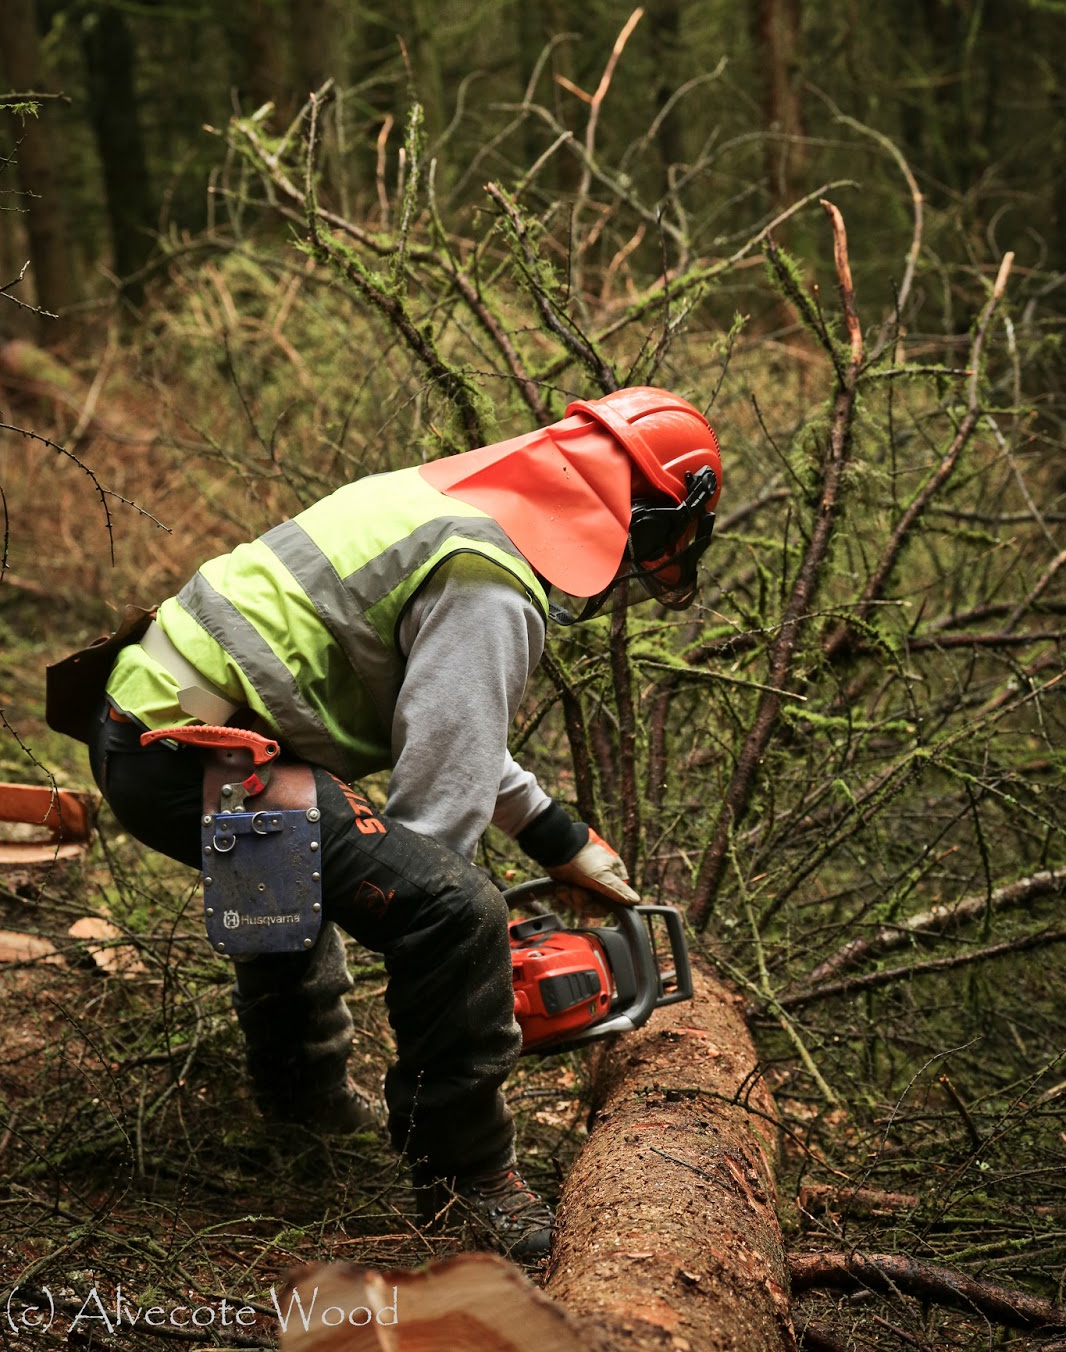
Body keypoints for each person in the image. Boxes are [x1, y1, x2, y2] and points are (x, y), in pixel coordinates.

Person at [47, 385, 721, 1263]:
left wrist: (563, 839)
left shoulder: (447, 509)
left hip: (149, 724)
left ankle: (306, 1109)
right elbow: (437, 816)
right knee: (454, 909)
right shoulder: (494, 588)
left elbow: (449, 729)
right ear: (639, 519)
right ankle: (466, 1180)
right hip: (197, 756)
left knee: (292, 862)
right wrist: (461, 941)